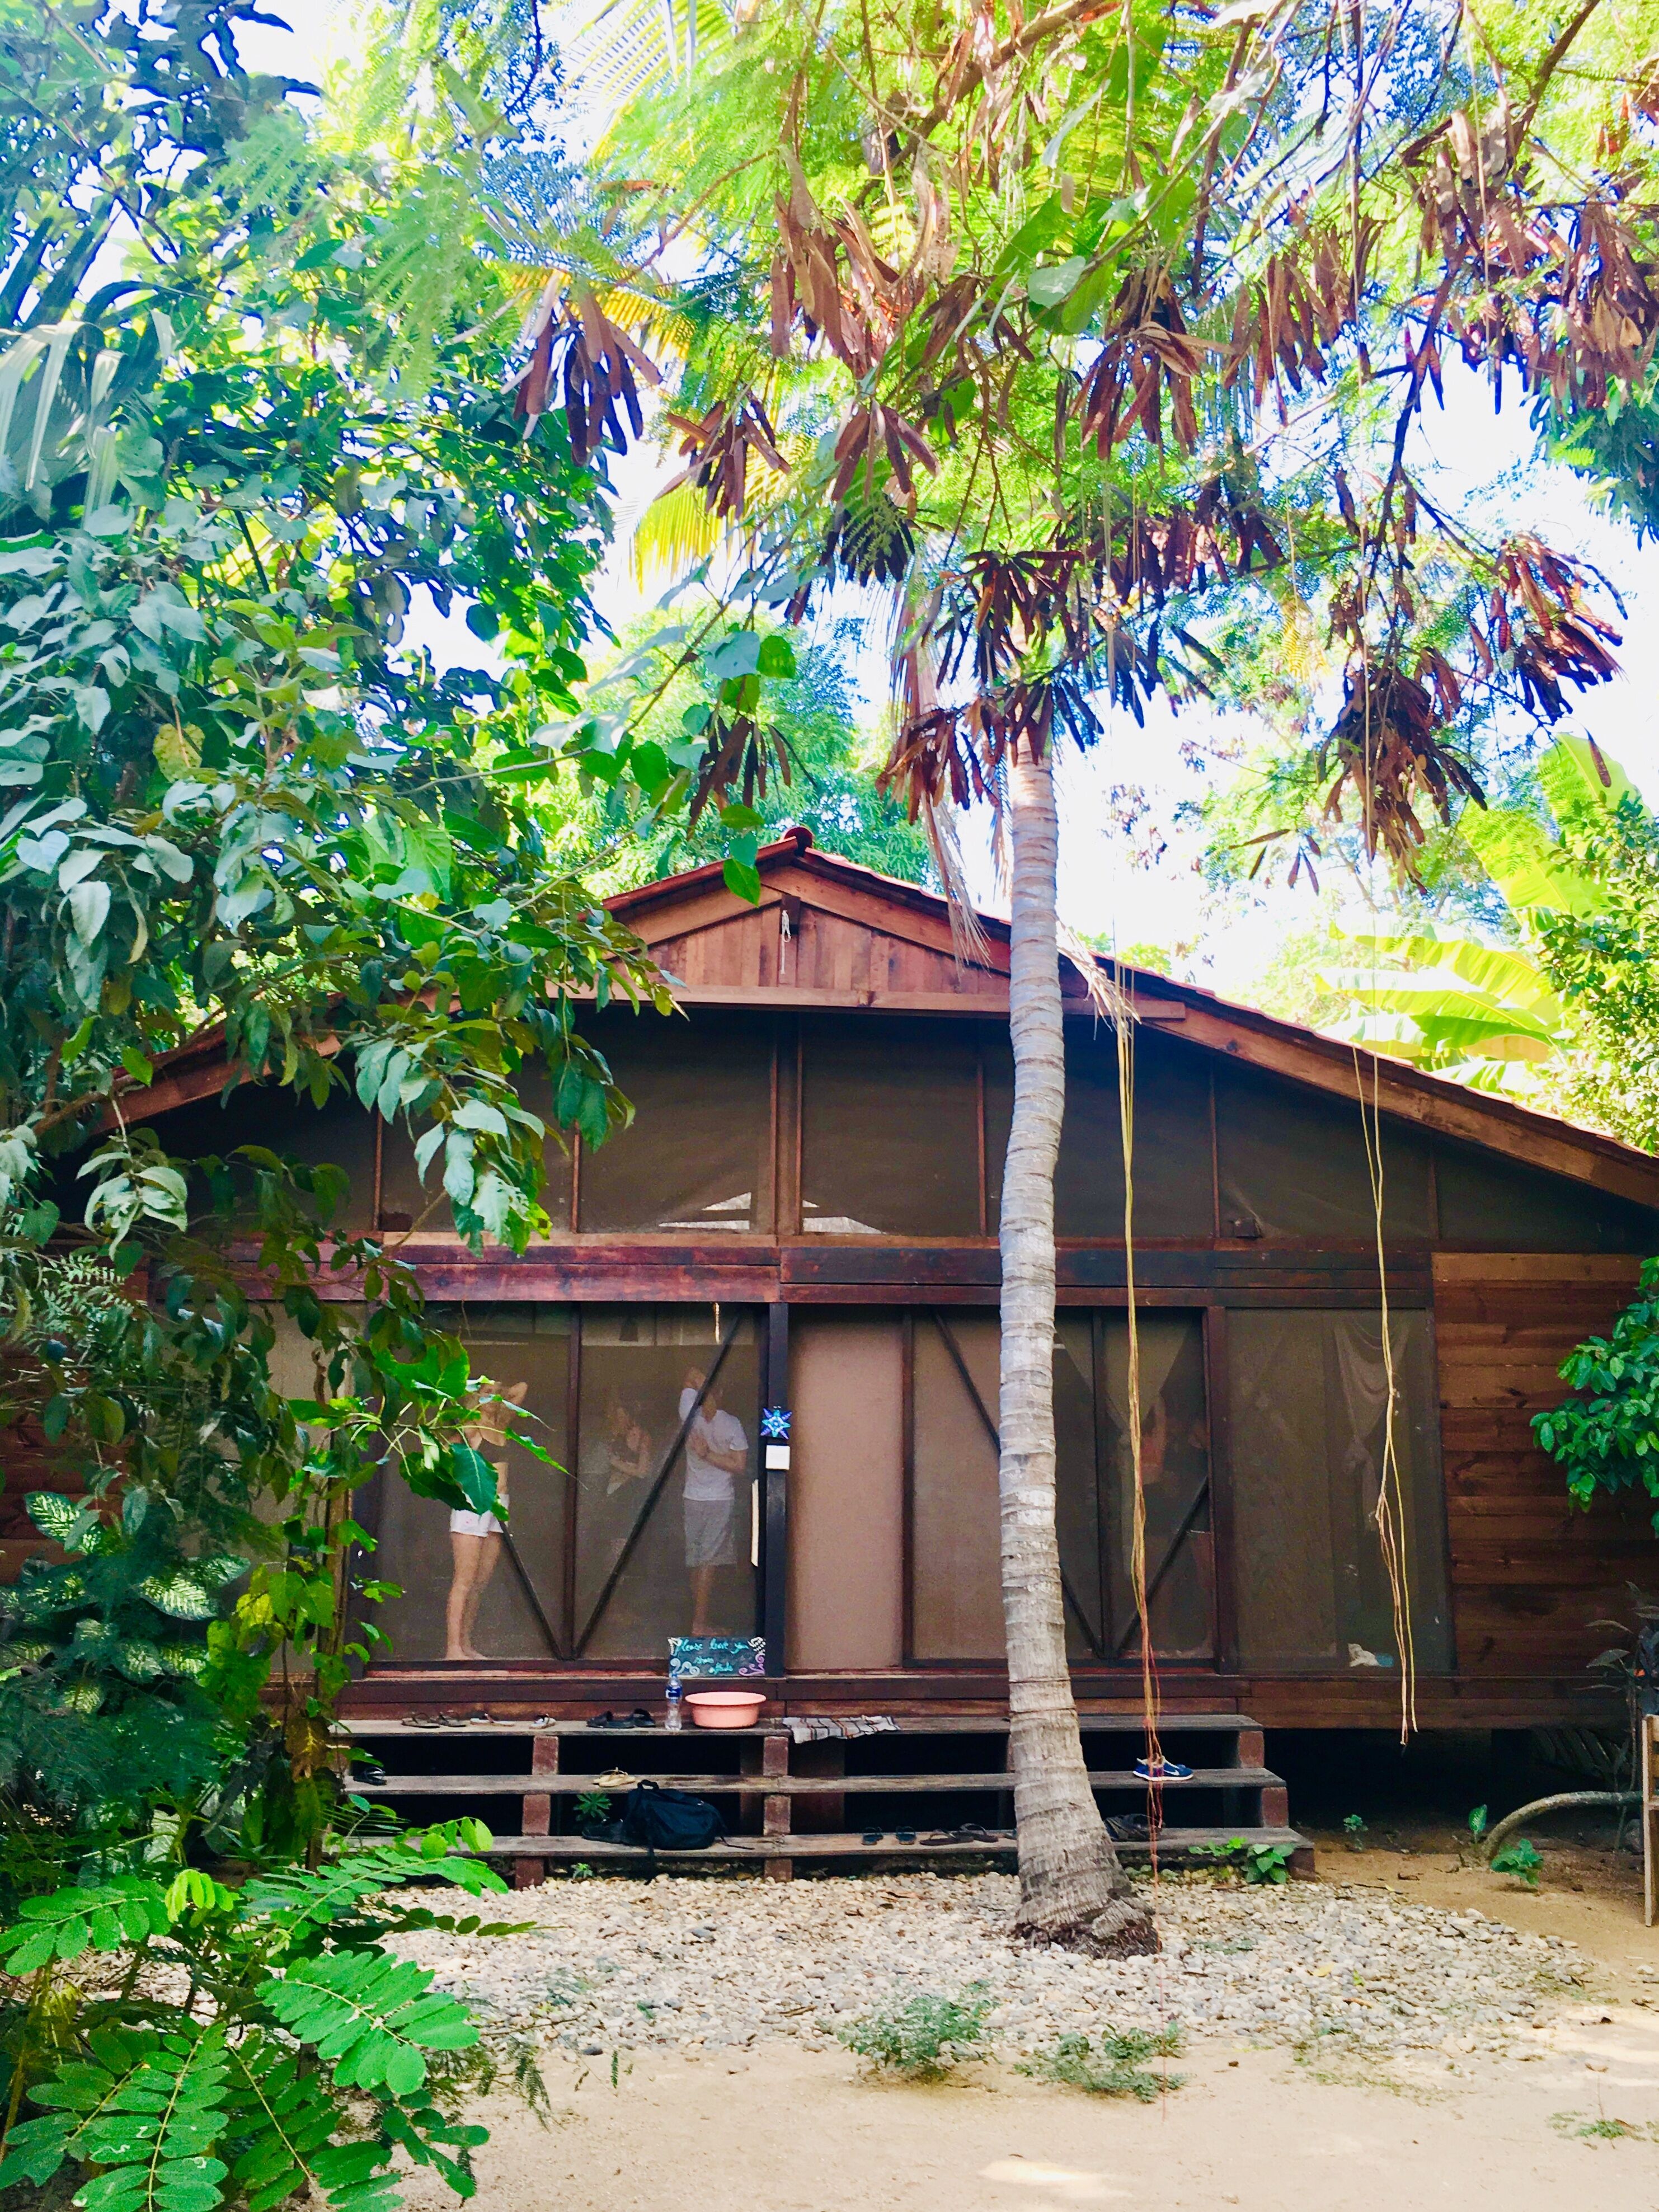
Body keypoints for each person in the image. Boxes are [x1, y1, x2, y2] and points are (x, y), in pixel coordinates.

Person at [445, 1380, 528, 1662]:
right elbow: (448, 1447)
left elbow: (522, 1388)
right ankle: (452, 1648)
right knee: (464, 1579)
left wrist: (497, 1393)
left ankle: (466, 1643)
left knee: (481, 1580)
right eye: (486, 1393)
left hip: (500, 1505)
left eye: (496, 1394)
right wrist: (477, 1393)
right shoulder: (472, 1424)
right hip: (475, 1500)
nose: (492, 1398)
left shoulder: (501, 1422)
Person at [678, 1367, 749, 1636]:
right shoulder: (732, 1424)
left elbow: (689, 1376)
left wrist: (700, 1386)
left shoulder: (688, 1414)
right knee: (708, 1561)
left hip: (692, 1497)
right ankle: (700, 1623)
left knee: (696, 1560)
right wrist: (708, 1454)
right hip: (719, 1499)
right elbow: (740, 1466)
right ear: (722, 1394)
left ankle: (700, 1620)